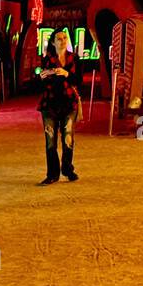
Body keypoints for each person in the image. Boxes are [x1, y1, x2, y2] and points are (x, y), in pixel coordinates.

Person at [37, 27, 81, 185]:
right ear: (53, 42)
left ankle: (68, 169)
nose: (63, 41)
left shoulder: (74, 58)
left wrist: (66, 74)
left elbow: (79, 80)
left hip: (69, 104)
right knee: (50, 140)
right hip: (49, 104)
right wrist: (46, 75)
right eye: (59, 39)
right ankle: (52, 174)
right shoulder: (47, 59)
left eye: (64, 38)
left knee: (68, 138)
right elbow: (42, 81)